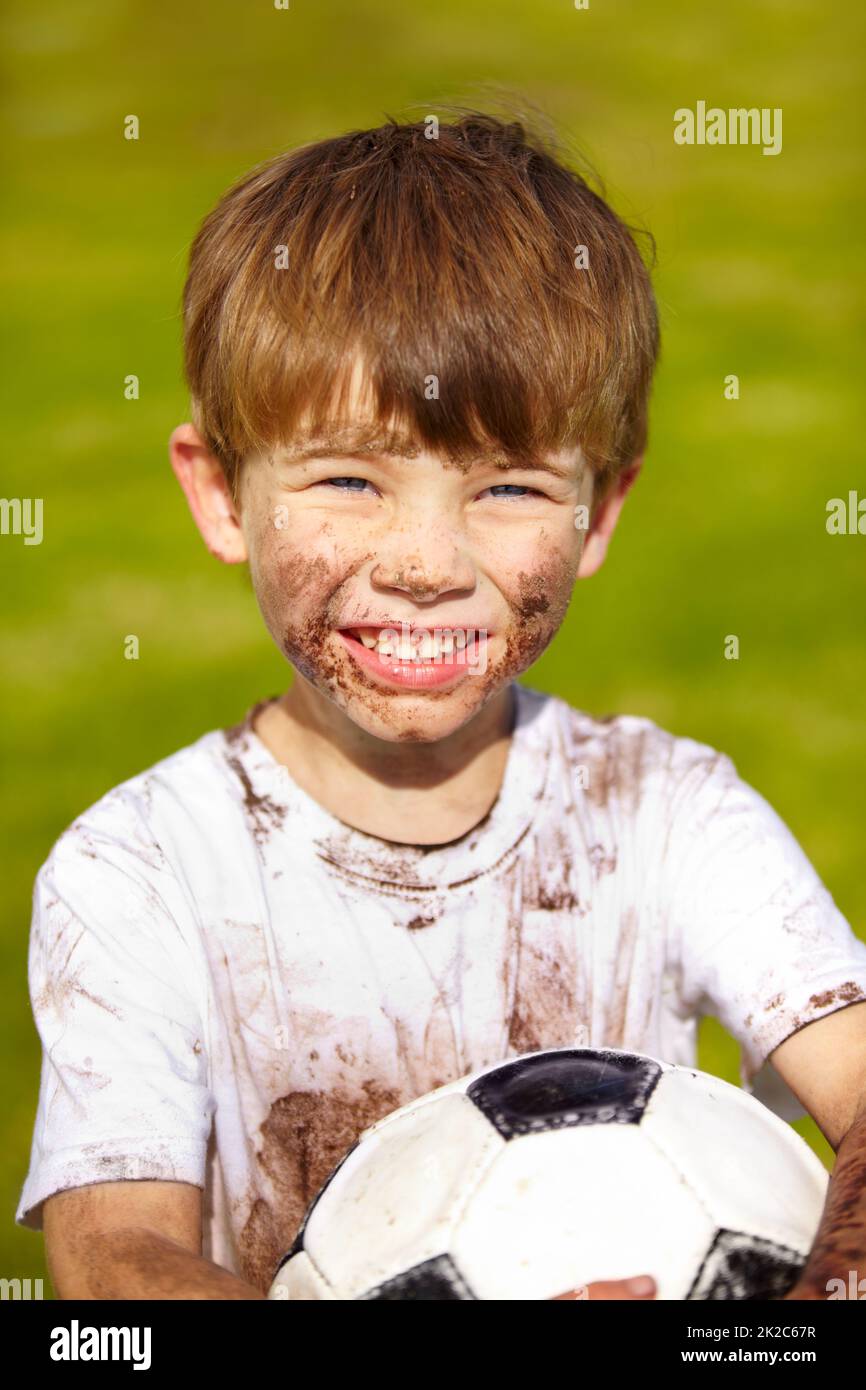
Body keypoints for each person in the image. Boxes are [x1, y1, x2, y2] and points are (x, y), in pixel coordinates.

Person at [16, 113, 866, 1301]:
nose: (426, 562)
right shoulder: (140, 870)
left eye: (508, 486)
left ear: (598, 513)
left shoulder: (668, 815)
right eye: (348, 479)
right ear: (219, 495)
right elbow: (109, 1271)